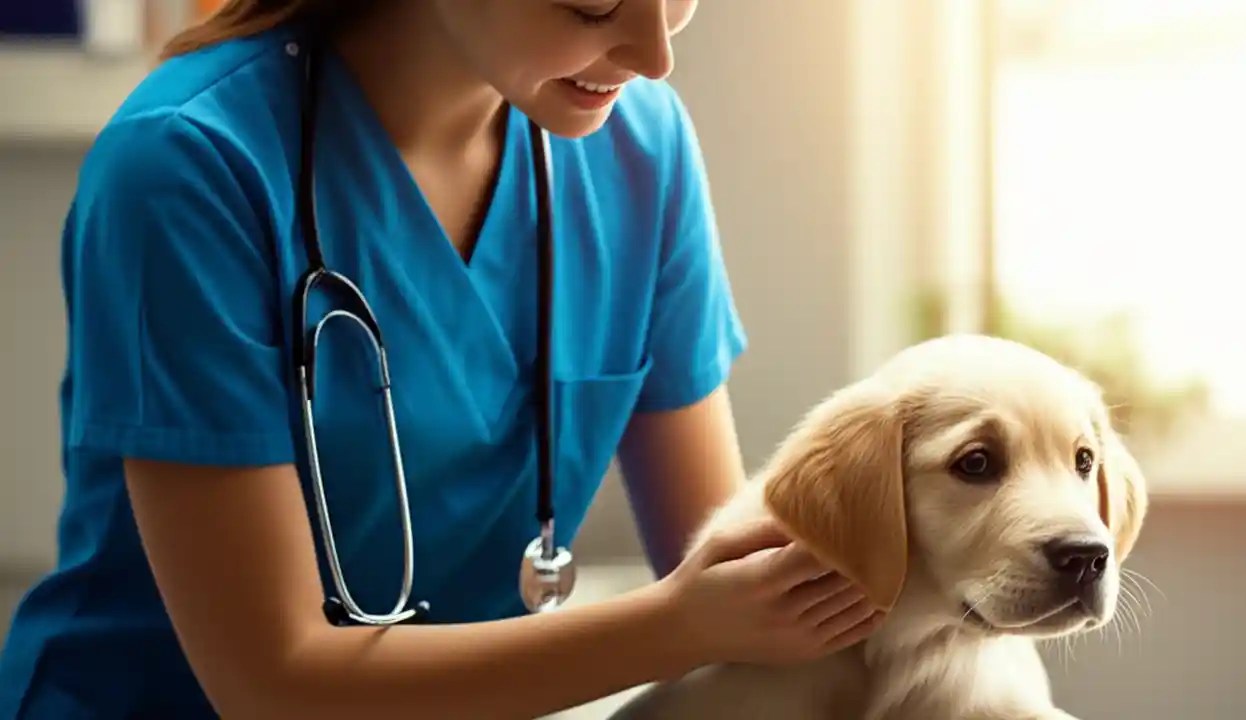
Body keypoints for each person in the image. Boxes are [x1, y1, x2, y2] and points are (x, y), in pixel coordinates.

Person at [0, 1, 883, 717]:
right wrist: (683, 628)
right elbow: (272, 685)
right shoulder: (186, 168)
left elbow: (724, 569)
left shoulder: (639, 147)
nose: (654, 54)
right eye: (594, 3)